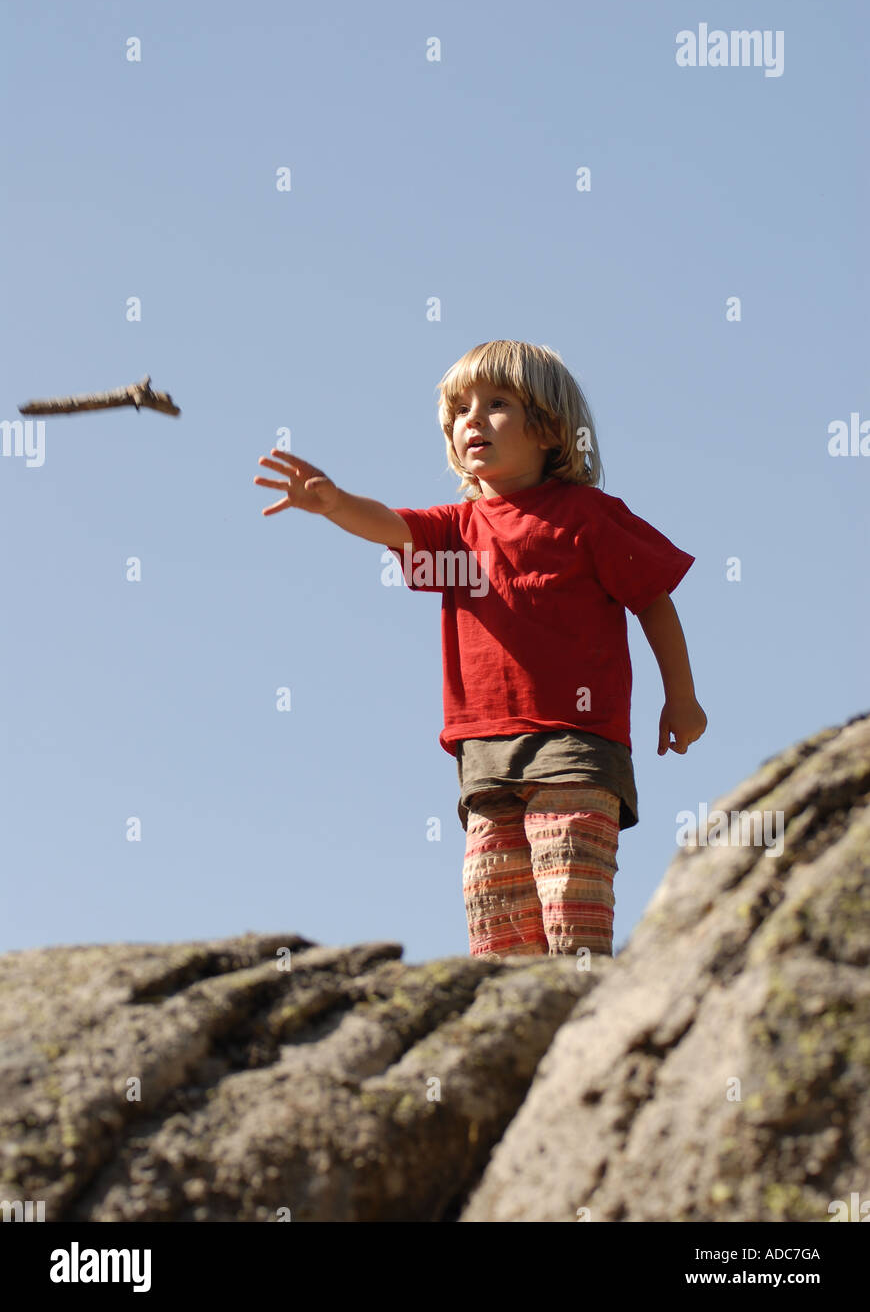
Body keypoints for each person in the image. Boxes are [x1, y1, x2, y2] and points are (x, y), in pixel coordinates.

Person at [254, 340, 707, 961]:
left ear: (549, 428)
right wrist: (334, 504)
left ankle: (588, 1010)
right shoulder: (457, 531)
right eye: (459, 410)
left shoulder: (587, 516)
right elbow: (391, 525)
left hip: (575, 745)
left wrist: (681, 698)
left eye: (496, 404)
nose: (472, 420)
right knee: (497, 920)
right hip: (485, 756)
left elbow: (652, 598)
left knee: (570, 903)